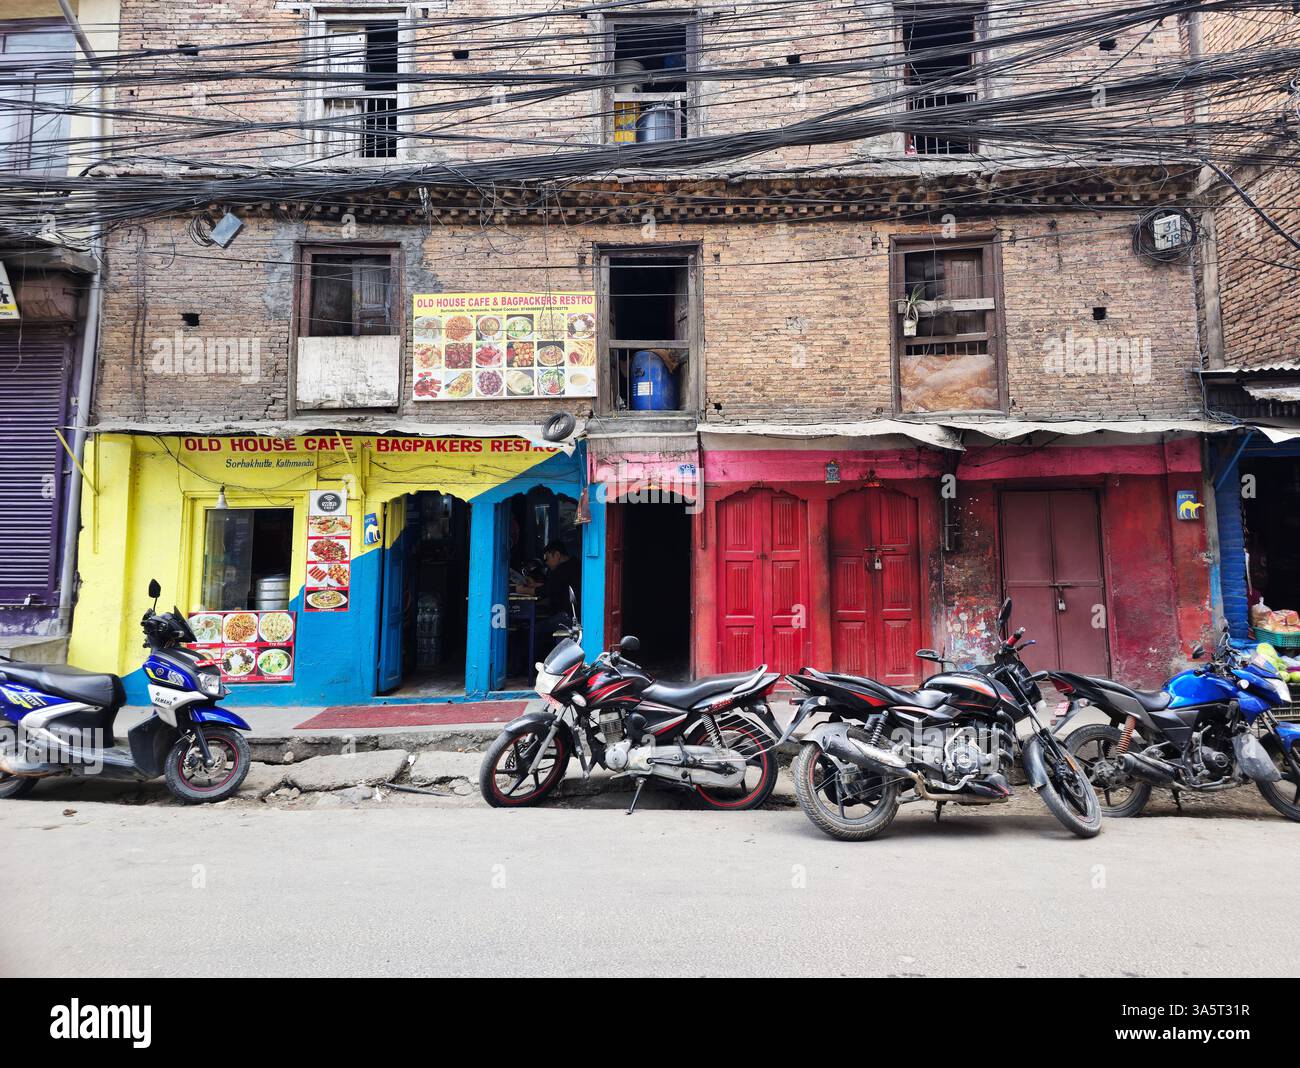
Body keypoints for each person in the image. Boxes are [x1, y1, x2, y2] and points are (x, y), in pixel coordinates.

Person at [530, 540, 581, 633]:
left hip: (567, 617)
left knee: (534, 630)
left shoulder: (562, 570)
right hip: (575, 615)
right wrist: (533, 585)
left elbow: (545, 591)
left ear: (557, 555)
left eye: (548, 558)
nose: (547, 563)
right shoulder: (575, 563)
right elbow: (555, 585)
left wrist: (521, 590)